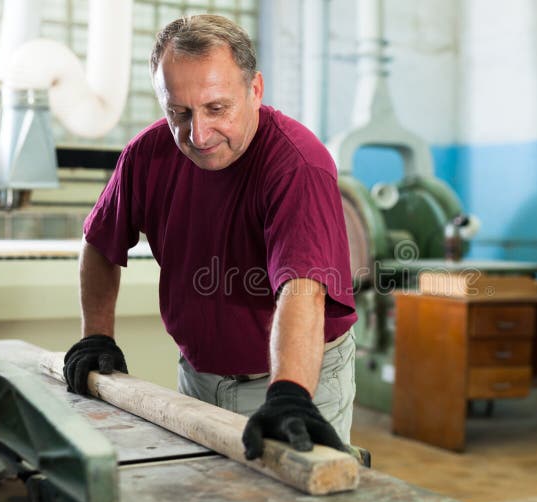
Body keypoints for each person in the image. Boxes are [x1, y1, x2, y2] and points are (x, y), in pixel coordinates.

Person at [63, 14, 358, 461]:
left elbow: (303, 289)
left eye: (217, 109)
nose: (197, 135)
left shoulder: (297, 165)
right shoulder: (147, 154)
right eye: (178, 112)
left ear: (254, 90)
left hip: (295, 380)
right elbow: (100, 243)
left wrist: (291, 392)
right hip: (198, 376)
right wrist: (96, 336)